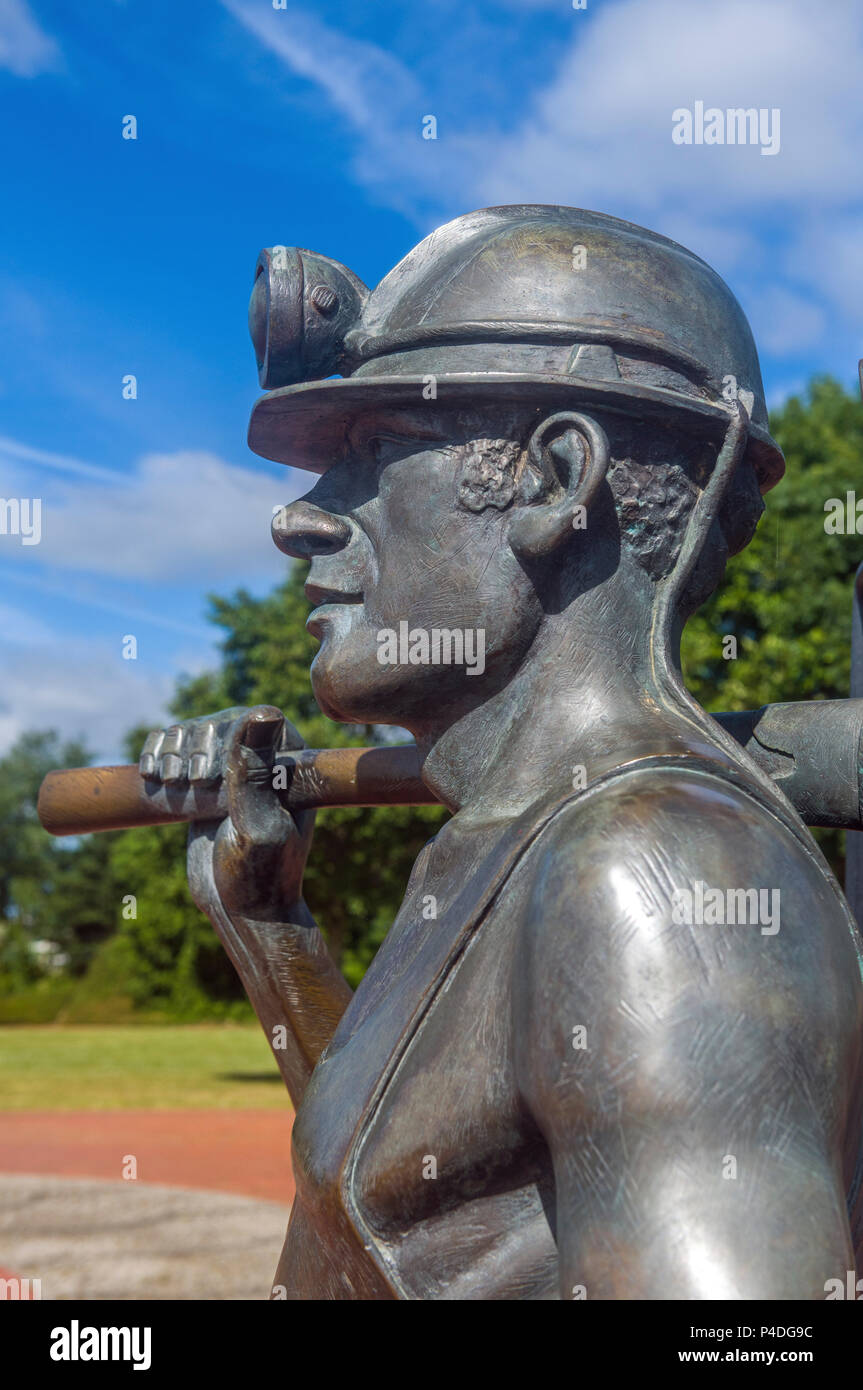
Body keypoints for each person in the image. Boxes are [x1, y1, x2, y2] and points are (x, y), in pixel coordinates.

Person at [140, 207, 863, 1299]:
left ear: (554, 480)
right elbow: (410, 1222)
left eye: (375, 451)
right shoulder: (512, 841)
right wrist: (266, 923)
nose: (300, 519)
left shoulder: (646, 877)